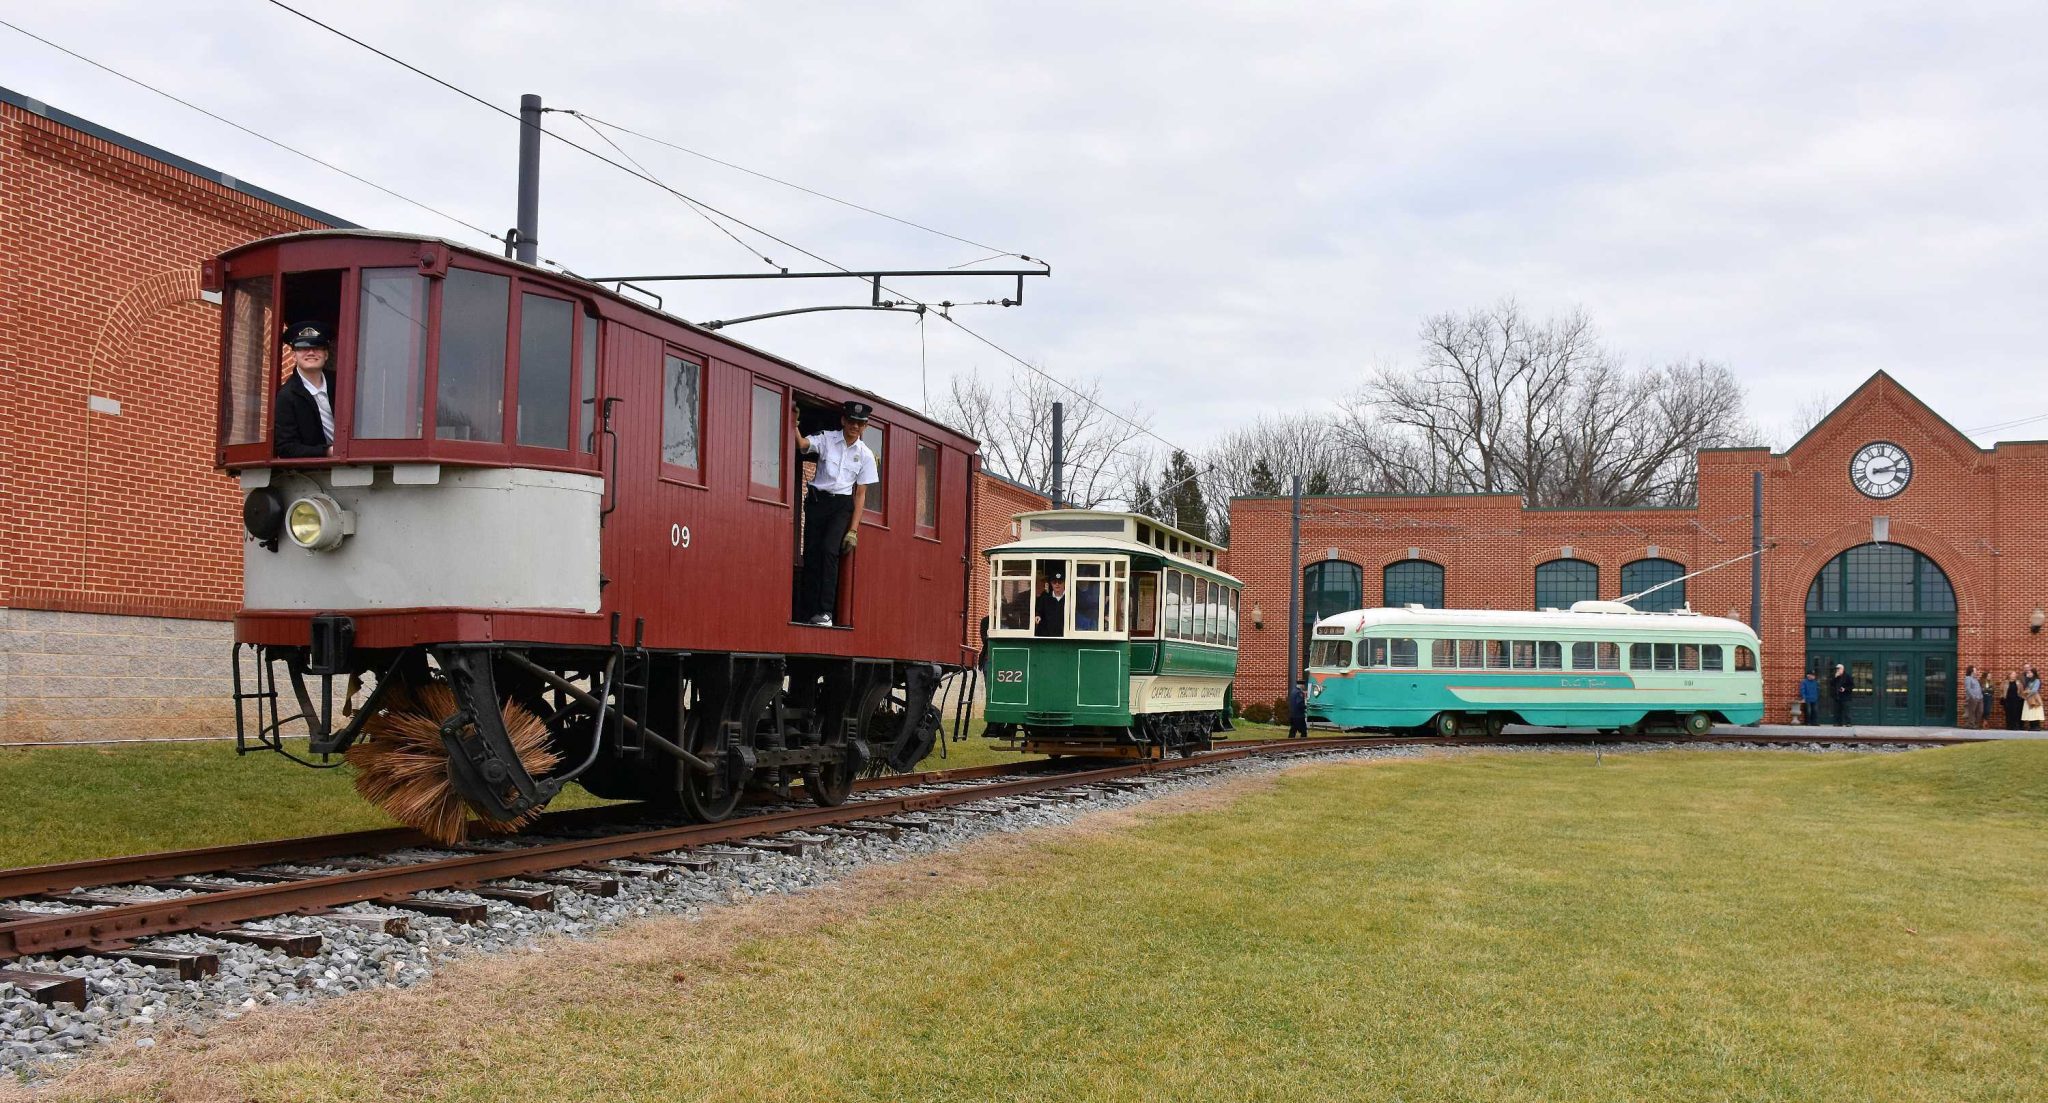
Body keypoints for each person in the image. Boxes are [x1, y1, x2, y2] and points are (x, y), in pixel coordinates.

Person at [793, 400, 880, 627]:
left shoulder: (866, 455)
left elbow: (860, 494)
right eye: (851, 421)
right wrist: (794, 423)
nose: (855, 427)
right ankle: (808, 610)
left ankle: (825, 612)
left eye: (860, 424)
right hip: (817, 502)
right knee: (811, 553)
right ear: (843, 420)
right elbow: (803, 445)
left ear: (866, 427)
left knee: (829, 551)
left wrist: (853, 530)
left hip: (841, 506)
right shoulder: (827, 439)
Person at [273, 321, 335, 458]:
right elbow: (286, 447)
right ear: (294, 355)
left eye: (318, 347)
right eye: (303, 348)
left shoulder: (341, 384)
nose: (311, 352)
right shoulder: (286, 396)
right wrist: (326, 451)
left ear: (326, 354)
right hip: (314, 472)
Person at [1962, 666, 1983, 730]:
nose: (1976, 672)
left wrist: (1981, 696)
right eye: (1975, 670)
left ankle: (1976, 724)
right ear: (1971, 671)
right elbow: (1968, 689)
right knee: (1972, 712)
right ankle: (1972, 724)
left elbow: (1978, 688)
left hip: (1980, 698)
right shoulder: (1968, 678)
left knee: (1980, 711)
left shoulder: (1976, 679)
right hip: (1973, 698)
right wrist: (1973, 696)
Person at [2024, 665, 2044, 732]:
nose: (2028, 674)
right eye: (2028, 673)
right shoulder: (2029, 681)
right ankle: (2032, 726)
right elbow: (2026, 688)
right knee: (2030, 712)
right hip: (2029, 698)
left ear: (2033, 673)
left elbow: (2034, 690)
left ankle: (2036, 726)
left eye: (2029, 673)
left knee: (2035, 712)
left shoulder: (2037, 680)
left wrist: (2028, 694)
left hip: (2034, 698)